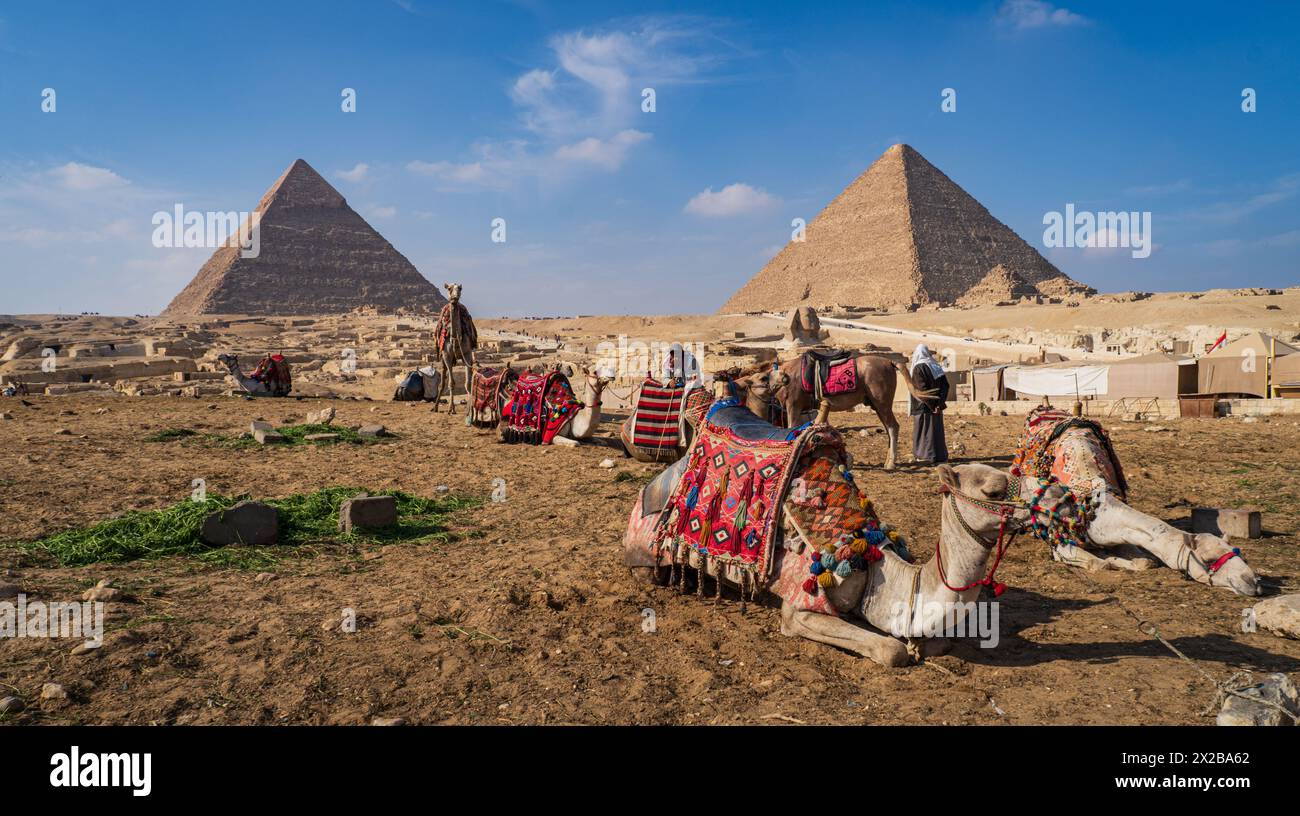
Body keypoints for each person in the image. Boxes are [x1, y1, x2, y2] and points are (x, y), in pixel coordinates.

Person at [909, 344, 950, 464]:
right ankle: (939, 456)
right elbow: (945, 386)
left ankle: (925, 457)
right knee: (935, 431)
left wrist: (932, 406)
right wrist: (939, 404)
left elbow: (922, 390)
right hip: (936, 406)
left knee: (924, 432)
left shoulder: (918, 368)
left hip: (923, 406)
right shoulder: (936, 366)